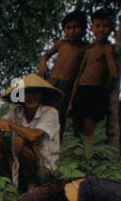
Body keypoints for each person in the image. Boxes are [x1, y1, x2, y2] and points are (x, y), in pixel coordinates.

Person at [0, 74, 62, 192]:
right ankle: (10, 182)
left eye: (35, 93)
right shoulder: (17, 112)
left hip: (45, 167)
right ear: (21, 96)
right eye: (27, 93)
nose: (31, 97)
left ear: (41, 95)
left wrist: (10, 124)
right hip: (19, 166)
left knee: (20, 140)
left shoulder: (50, 112)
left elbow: (32, 136)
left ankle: (33, 183)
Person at [67, 11, 118, 146]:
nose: (101, 29)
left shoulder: (108, 48)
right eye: (98, 25)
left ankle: (86, 161)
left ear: (111, 28)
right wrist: (71, 100)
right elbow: (79, 74)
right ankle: (76, 163)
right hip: (81, 91)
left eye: (105, 26)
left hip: (96, 91)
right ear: (92, 28)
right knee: (76, 131)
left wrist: (103, 92)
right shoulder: (89, 49)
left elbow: (113, 74)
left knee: (88, 131)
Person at [38, 10, 88, 138]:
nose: (71, 31)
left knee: (58, 118)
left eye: (75, 27)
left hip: (67, 86)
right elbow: (45, 55)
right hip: (51, 82)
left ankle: (54, 149)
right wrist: (43, 65)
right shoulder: (61, 44)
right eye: (68, 28)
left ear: (83, 28)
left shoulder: (85, 48)